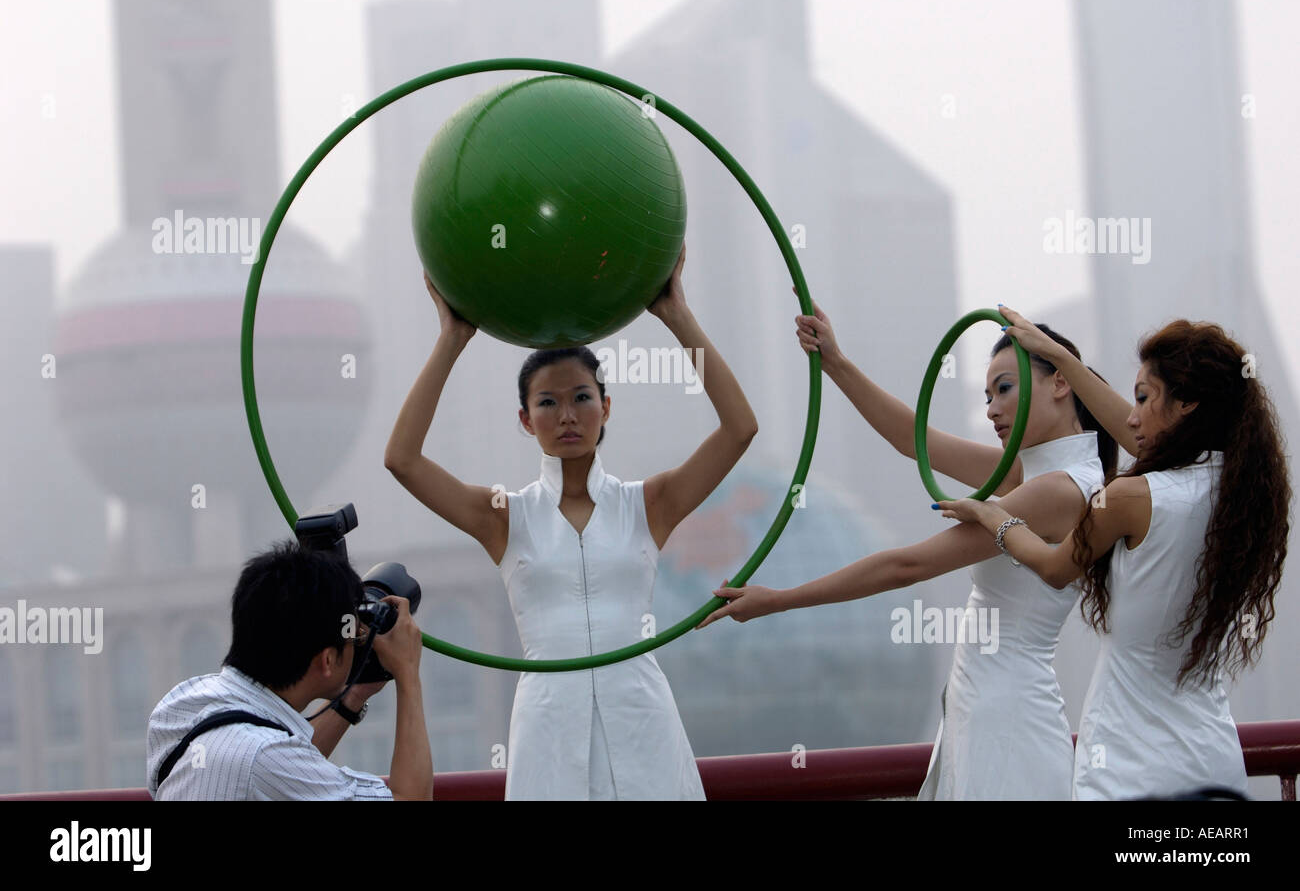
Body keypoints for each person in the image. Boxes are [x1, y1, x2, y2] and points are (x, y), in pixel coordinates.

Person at [699, 299, 1117, 799]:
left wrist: (779, 601)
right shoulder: (1033, 473)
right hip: (985, 711)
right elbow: (913, 440)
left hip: (1007, 724)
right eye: (986, 395)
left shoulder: (1058, 488)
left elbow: (909, 565)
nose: (991, 409)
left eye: (1004, 388)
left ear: (1061, 382)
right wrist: (836, 362)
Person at [385, 246, 758, 800]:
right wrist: (452, 340)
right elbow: (403, 460)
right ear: (524, 418)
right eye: (548, 403)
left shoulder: (647, 504)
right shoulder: (504, 516)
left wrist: (676, 314)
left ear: (606, 407)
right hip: (547, 727)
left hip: (642, 718)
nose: (566, 416)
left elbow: (739, 428)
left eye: (582, 398)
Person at [937, 308, 1290, 799]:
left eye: (1144, 398)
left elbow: (1054, 569)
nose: (1131, 414)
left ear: (1186, 404)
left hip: (1127, 770)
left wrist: (993, 516)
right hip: (1213, 762)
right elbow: (1140, 439)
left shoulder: (1130, 498)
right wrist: (1059, 356)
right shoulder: (1235, 488)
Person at [146, 540, 432, 801]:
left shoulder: (182, 702)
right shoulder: (262, 757)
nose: (357, 644)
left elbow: (286, 769)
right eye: (354, 637)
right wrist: (408, 672)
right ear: (328, 661)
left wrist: (354, 694)